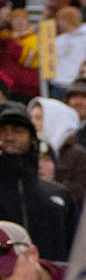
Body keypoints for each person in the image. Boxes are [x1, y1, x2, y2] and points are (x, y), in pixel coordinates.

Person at [0, 106, 74, 259]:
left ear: (32, 138)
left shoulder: (58, 195)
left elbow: (74, 247)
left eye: (18, 131)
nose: (9, 137)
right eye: (3, 131)